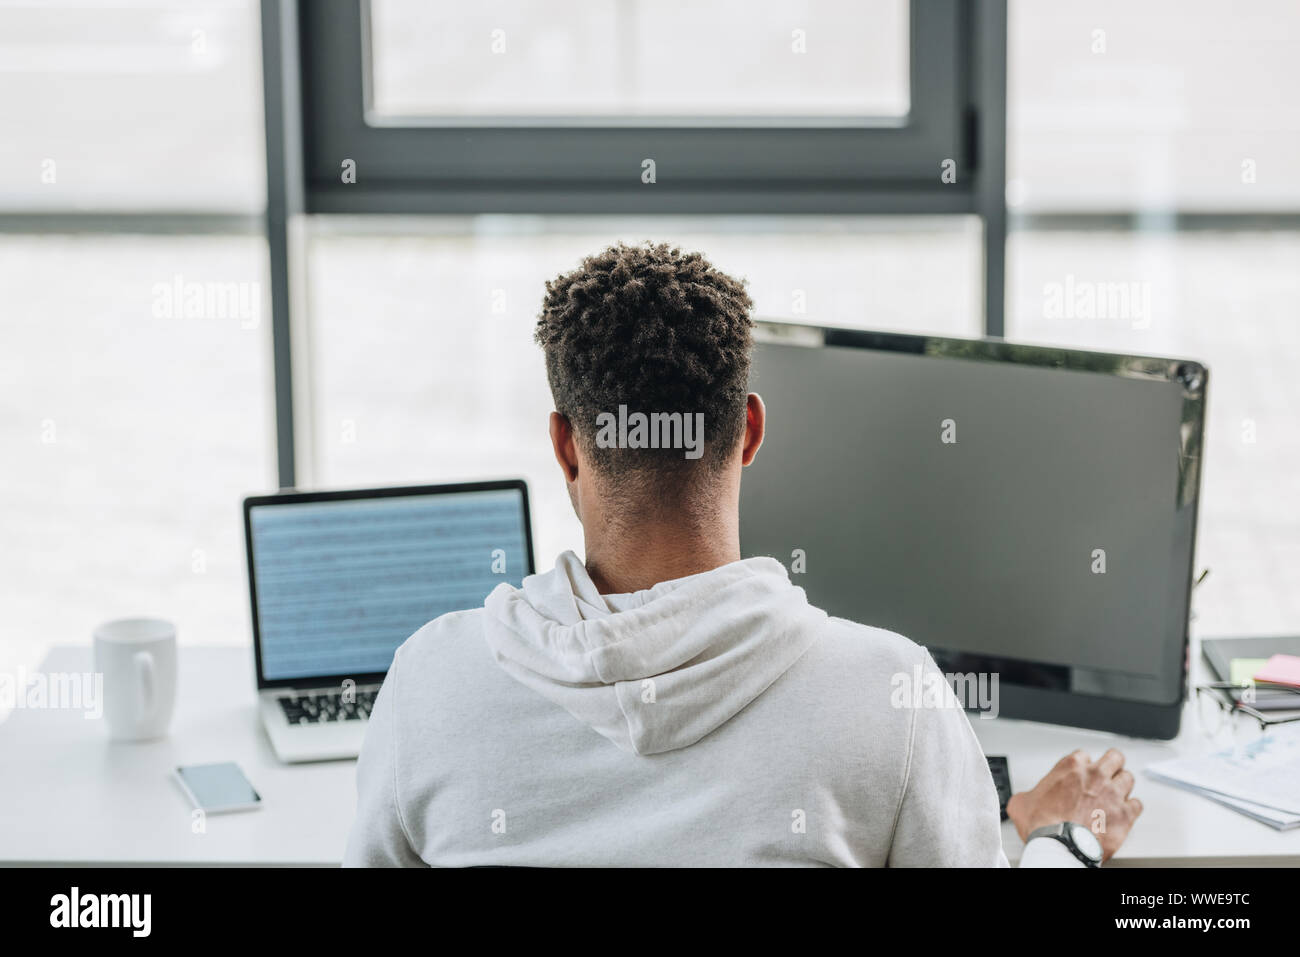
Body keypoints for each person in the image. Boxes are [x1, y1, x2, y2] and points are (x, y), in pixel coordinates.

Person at [344, 242, 1143, 867]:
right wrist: (1058, 837)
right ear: (751, 429)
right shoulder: (892, 698)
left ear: (565, 446)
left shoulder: (431, 682)